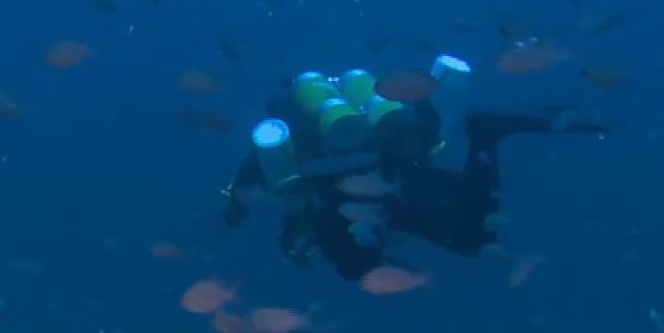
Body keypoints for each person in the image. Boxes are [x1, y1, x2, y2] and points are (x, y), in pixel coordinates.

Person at [222, 61, 608, 281]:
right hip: (400, 174)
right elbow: (420, 124)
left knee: (363, 264)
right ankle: (485, 136)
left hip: (373, 197)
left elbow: (250, 180)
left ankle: (484, 135)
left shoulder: (291, 142)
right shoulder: (353, 119)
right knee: (472, 232)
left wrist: (234, 210)